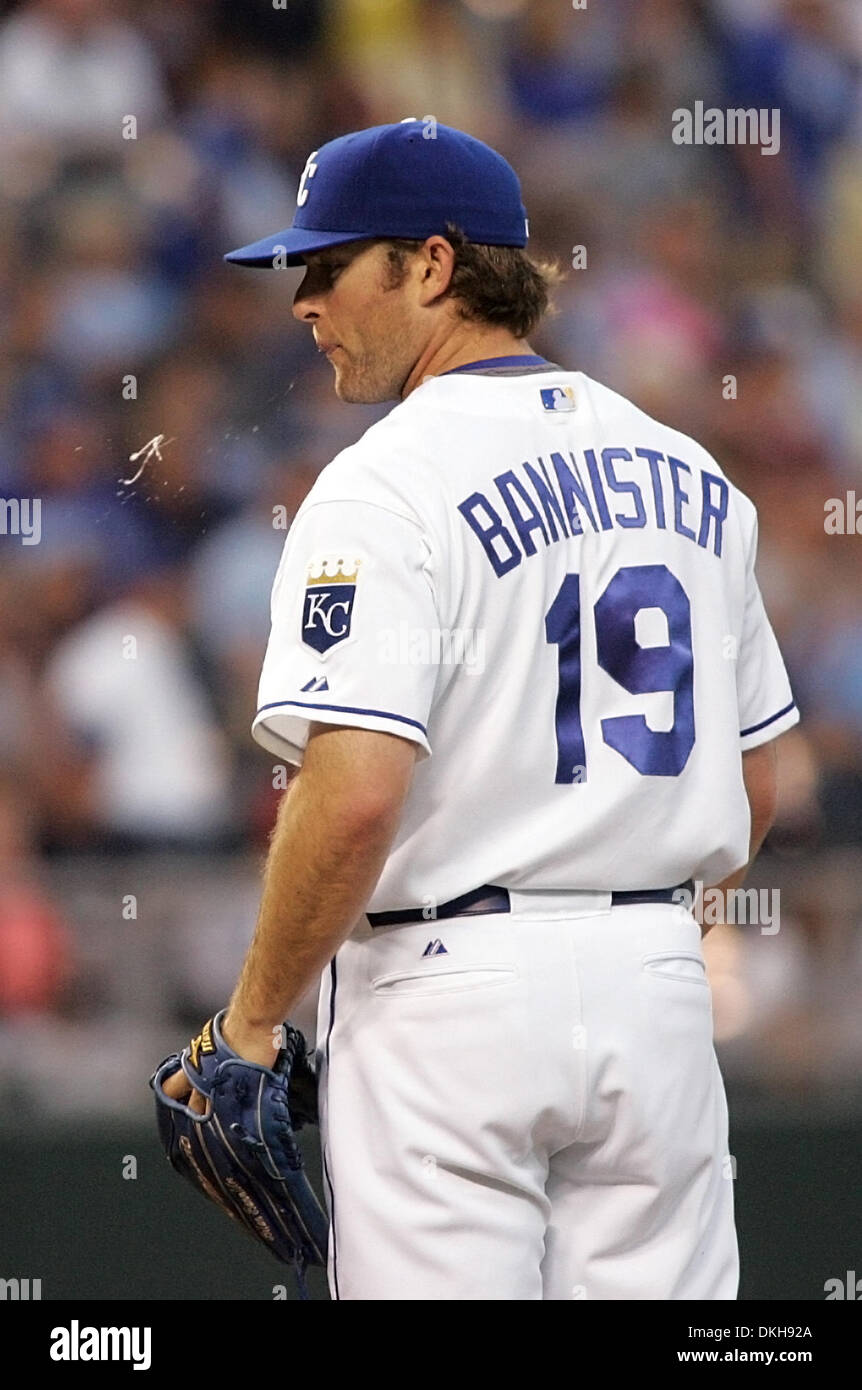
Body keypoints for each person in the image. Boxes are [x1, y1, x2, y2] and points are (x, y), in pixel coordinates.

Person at [164, 121, 798, 1300]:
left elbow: (350, 801)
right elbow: (759, 783)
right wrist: (607, 896)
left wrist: (250, 1024)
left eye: (328, 264)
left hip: (445, 993)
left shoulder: (380, 482)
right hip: (658, 984)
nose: (303, 302)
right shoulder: (689, 472)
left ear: (434, 266)